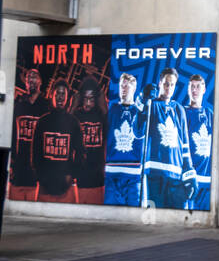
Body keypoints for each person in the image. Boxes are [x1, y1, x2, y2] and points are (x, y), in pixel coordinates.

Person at [143, 68, 196, 209]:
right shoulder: (151, 105)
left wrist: (189, 172)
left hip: (176, 177)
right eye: (166, 84)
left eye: (172, 85)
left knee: (176, 218)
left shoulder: (179, 109)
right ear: (160, 83)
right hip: (154, 175)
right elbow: (138, 126)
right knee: (154, 218)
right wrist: (143, 99)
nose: (169, 88)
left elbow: (185, 145)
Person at [31, 78, 83, 202]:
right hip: (45, 187)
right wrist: (40, 176)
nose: (60, 97)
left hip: (66, 188)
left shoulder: (73, 122)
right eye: (57, 93)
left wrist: (72, 176)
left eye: (63, 94)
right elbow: (35, 153)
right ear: (52, 95)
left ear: (67, 98)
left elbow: (81, 152)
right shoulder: (42, 121)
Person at [105, 72, 144, 206]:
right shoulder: (111, 109)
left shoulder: (140, 112)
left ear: (134, 88)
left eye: (127, 86)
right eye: (122, 86)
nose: (123, 89)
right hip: (111, 173)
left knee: (132, 215)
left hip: (133, 175)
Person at [9, 67, 45, 201]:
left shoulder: (45, 106)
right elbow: (12, 134)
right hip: (18, 169)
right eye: (29, 77)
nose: (31, 79)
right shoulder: (18, 105)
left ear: (41, 81)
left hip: (37, 172)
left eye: (35, 76)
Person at [181, 74, 213, 212]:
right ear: (188, 89)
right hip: (189, 179)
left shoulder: (209, 114)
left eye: (198, 86)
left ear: (204, 89)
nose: (194, 90)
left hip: (206, 180)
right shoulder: (183, 112)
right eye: (192, 87)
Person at [73, 78, 108, 204]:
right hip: (79, 176)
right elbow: (64, 128)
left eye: (91, 99)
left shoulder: (101, 115)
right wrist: (73, 104)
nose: (87, 103)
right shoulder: (76, 115)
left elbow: (111, 127)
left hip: (97, 176)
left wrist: (103, 103)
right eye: (85, 99)